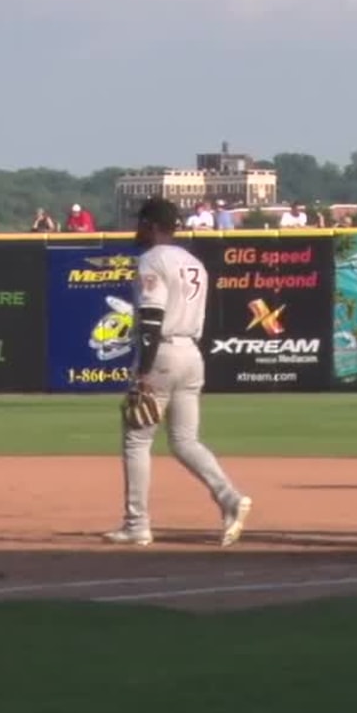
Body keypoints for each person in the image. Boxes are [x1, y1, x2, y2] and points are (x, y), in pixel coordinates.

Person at [104, 197, 251, 547]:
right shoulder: (194, 262)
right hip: (191, 353)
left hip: (163, 352)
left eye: (140, 223)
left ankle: (137, 524)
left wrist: (143, 370)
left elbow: (152, 318)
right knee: (185, 441)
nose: (137, 229)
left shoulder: (151, 260)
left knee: (137, 439)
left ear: (152, 225)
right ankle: (230, 498)